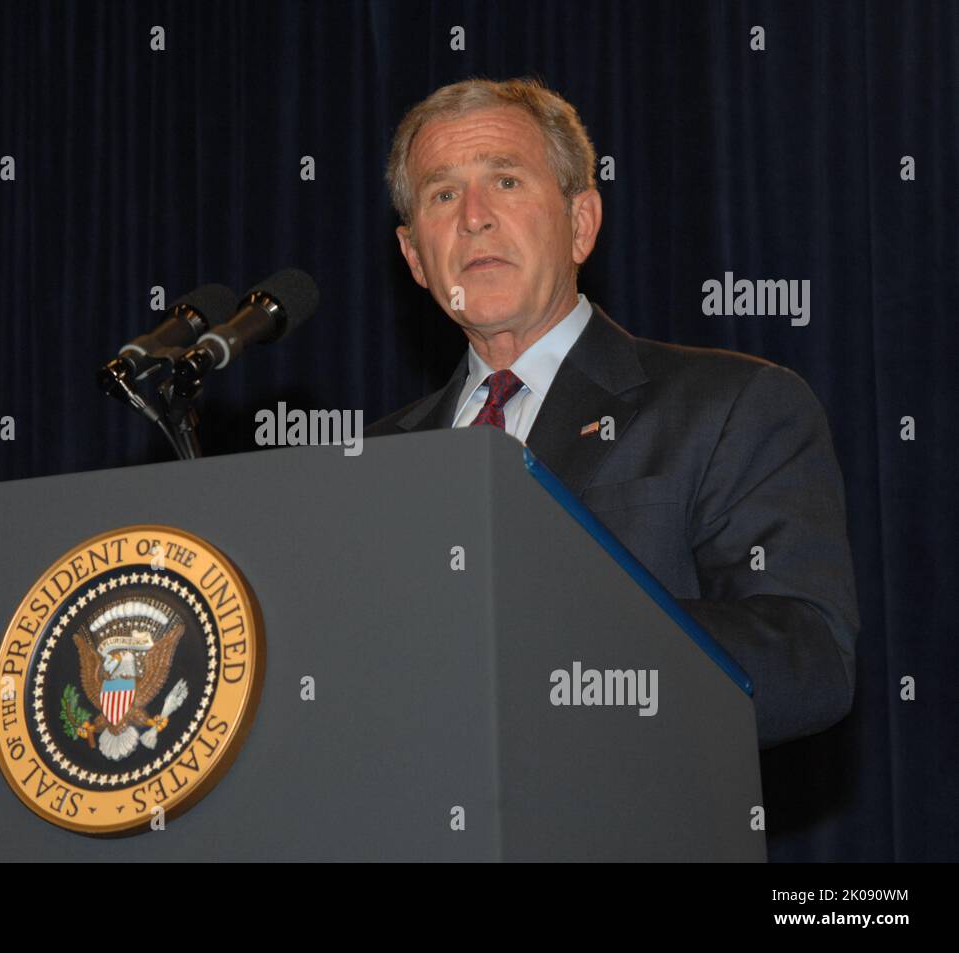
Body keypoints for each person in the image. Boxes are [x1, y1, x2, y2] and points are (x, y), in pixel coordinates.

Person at [365, 77, 859, 749]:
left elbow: (808, 659)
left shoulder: (732, 405)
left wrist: (565, 651)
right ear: (414, 255)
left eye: (506, 182)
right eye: (442, 193)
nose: (473, 215)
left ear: (581, 224)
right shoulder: (371, 461)